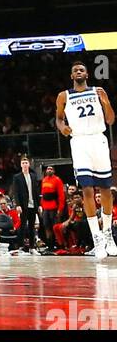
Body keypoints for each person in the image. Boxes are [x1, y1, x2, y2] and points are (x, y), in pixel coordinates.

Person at [56, 61, 117, 259]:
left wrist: (106, 102)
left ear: (87, 74)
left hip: (98, 139)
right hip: (80, 142)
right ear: (72, 76)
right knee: (87, 189)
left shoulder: (98, 91)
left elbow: (110, 120)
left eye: (82, 69)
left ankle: (107, 234)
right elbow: (58, 118)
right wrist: (62, 127)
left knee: (106, 190)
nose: (79, 72)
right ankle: (96, 237)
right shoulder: (64, 96)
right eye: (75, 70)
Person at [10, 156, 41, 254]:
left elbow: (36, 191)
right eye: (23, 163)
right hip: (23, 205)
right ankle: (21, 247)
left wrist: (39, 204)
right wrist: (18, 205)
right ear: (21, 165)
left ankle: (32, 247)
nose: (25, 165)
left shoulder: (33, 176)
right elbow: (16, 192)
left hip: (33, 204)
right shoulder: (17, 177)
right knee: (22, 226)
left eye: (26, 163)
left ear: (29, 164)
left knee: (32, 227)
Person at [39, 164, 66, 251]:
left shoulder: (57, 180)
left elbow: (61, 195)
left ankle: (58, 245)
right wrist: (41, 206)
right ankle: (50, 245)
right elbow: (43, 194)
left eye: (51, 169)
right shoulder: (44, 180)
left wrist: (60, 209)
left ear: (53, 171)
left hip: (54, 207)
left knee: (55, 227)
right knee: (47, 226)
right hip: (45, 207)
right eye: (48, 169)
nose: (49, 170)